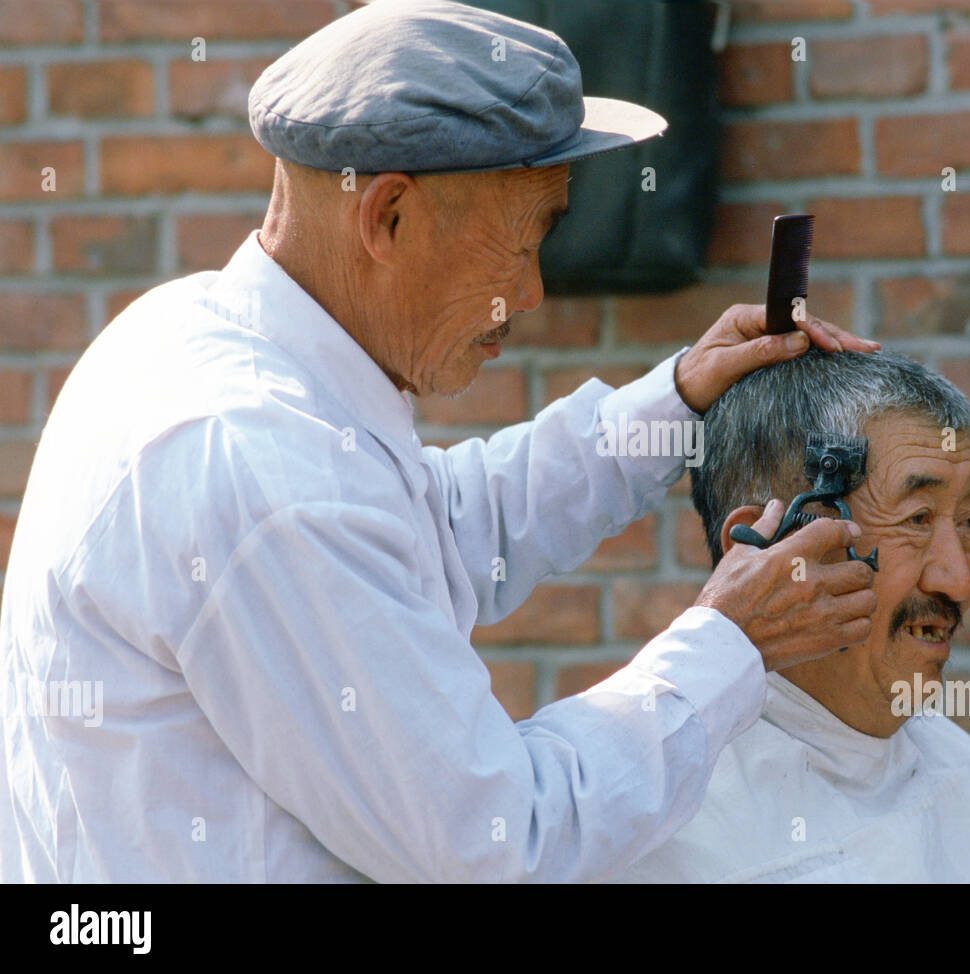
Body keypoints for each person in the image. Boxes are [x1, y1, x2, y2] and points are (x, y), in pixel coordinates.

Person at [0, 0, 879, 882]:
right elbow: (497, 842)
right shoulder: (264, 465)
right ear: (388, 216)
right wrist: (730, 641)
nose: (532, 292)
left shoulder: (200, 331)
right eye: (526, 237)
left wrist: (677, 399)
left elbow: (433, 532)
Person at [614, 349, 970, 883]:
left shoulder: (967, 776)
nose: (958, 581)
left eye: (969, 521)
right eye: (915, 519)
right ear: (768, 547)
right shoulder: (659, 841)